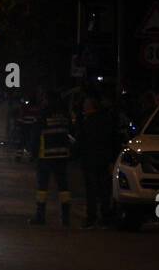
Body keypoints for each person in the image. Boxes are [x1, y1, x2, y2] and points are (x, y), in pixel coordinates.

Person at [29, 90, 74, 226]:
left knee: (42, 187)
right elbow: (70, 134)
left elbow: (36, 135)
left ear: (47, 99)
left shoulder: (44, 114)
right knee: (63, 187)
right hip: (62, 155)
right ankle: (66, 217)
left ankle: (40, 215)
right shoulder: (64, 114)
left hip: (45, 156)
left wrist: (33, 153)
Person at [77, 93, 119, 228]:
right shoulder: (106, 120)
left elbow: (81, 142)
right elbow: (113, 141)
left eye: (85, 104)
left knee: (91, 192)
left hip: (90, 161)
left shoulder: (87, 122)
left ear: (90, 107)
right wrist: (112, 160)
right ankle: (105, 218)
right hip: (104, 160)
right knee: (104, 191)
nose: (83, 106)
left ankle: (92, 218)